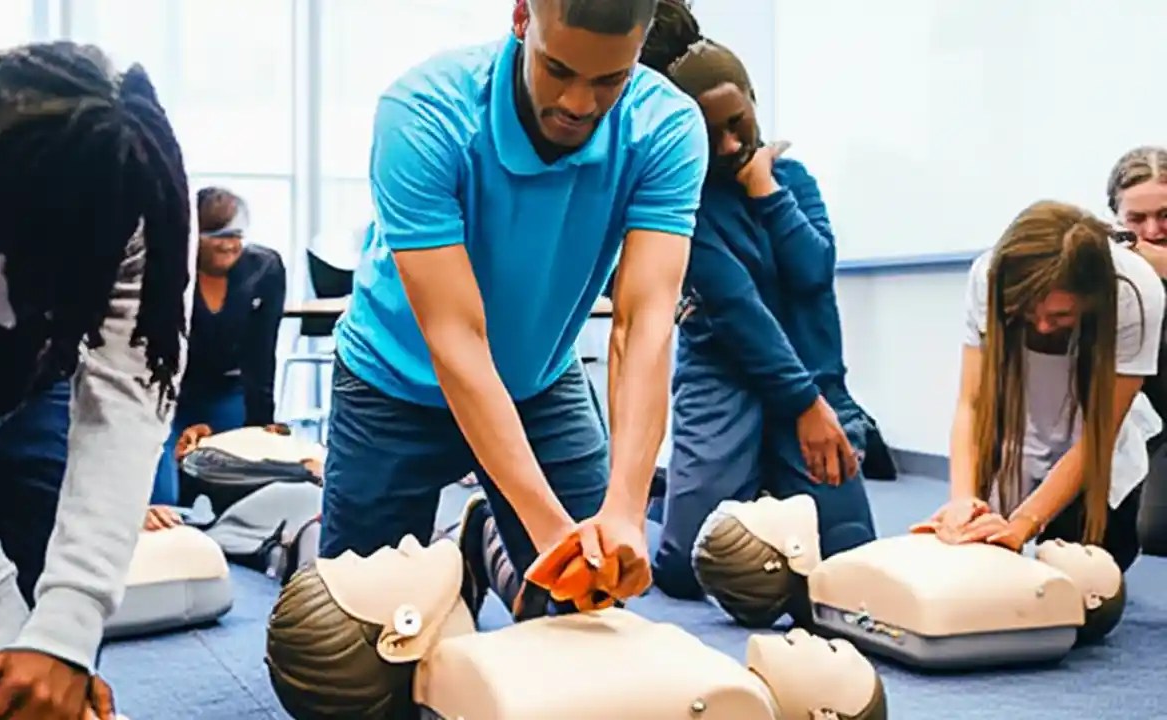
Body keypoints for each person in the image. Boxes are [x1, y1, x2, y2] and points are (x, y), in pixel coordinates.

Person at [322, 0, 708, 613]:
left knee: (592, 608)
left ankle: (486, 548)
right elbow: (457, 339)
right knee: (363, 645)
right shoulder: (424, 112)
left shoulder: (665, 127)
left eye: (610, 79)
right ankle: (478, 544)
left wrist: (627, 510)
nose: (579, 104)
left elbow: (642, 324)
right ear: (523, 16)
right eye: (558, 69)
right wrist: (552, 532)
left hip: (538, 384)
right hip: (393, 383)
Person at [0, 42, 191, 718]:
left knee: (54, 653)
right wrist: (1, 638)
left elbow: (126, 399)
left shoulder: (137, 183)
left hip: (32, 386)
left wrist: (62, 636)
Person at [635, 0, 876, 599]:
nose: (727, 144)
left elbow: (813, 273)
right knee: (689, 569)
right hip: (726, 376)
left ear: (753, 102)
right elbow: (738, 309)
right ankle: (667, 491)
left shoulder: (794, 182)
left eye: (736, 122)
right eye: (708, 131)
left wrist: (766, 191)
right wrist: (806, 407)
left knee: (845, 555)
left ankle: (757, 479)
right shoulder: (682, 200)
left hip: (811, 375)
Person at [914, 200, 1165, 571]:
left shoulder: (1135, 292)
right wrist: (962, 500)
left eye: (1060, 315)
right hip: (1016, 440)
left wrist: (1023, 523)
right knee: (979, 565)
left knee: (1090, 581)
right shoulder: (988, 276)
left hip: (1097, 455)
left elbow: (1099, 434)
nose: (1043, 326)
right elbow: (972, 404)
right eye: (1029, 312)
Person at [146, 187, 286, 530]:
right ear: (194, 236)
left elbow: (261, 353)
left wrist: (261, 424)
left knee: (239, 492)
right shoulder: (164, 268)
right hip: (168, 395)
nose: (228, 244)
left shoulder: (264, 269)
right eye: (217, 235)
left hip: (226, 392)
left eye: (236, 234)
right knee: (163, 499)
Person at [1105, 146, 1167, 554]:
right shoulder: (1113, 274)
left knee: (1158, 530)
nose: (1153, 230)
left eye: (1165, 216)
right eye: (1137, 219)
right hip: (1142, 422)